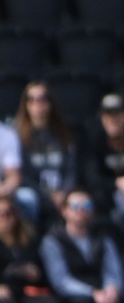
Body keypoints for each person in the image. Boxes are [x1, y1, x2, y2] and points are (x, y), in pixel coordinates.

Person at [77, 94, 124, 226]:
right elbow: (91, 177)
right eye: (108, 115)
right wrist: (117, 183)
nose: (113, 120)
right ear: (102, 118)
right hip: (108, 199)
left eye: (117, 115)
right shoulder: (94, 142)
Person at [40, 188, 121, 303]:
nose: (82, 210)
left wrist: (111, 289)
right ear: (64, 211)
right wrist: (92, 293)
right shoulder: (52, 241)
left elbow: (112, 271)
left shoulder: (103, 238)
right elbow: (61, 281)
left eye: (87, 206)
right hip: (75, 296)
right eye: (76, 206)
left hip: (101, 290)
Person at [16, 83, 75, 221]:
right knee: (26, 198)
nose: (38, 104)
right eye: (31, 99)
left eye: (42, 99)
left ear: (50, 103)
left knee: (79, 202)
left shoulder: (64, 134)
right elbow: (23, 176)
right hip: (36, 195)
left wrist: (64, 193)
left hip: (63, 194)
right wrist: (47, 196)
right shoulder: (18, 137)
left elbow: (71, 170)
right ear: (26, 104)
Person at [0, 195, 46, 296]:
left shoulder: (31, 238)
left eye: (8, 213)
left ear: (16, 214)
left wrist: (34, 272)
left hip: (30, 292)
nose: (4, 218)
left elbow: (41, 271)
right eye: (0, 214)